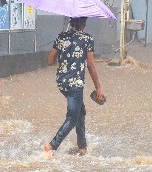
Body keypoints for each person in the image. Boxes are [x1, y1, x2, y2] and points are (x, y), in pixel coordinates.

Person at [44, 17, 106, 157]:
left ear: (71, 23)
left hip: (62, 83)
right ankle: (52, 145)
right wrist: (98, 88)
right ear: (84, 24)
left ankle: (82, 147)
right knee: (72, 117)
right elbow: (91, 65)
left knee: (80, 111)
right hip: (75, 84)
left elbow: (49, 61)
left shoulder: (61, 37)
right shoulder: (87, 39)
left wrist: (62, 44)